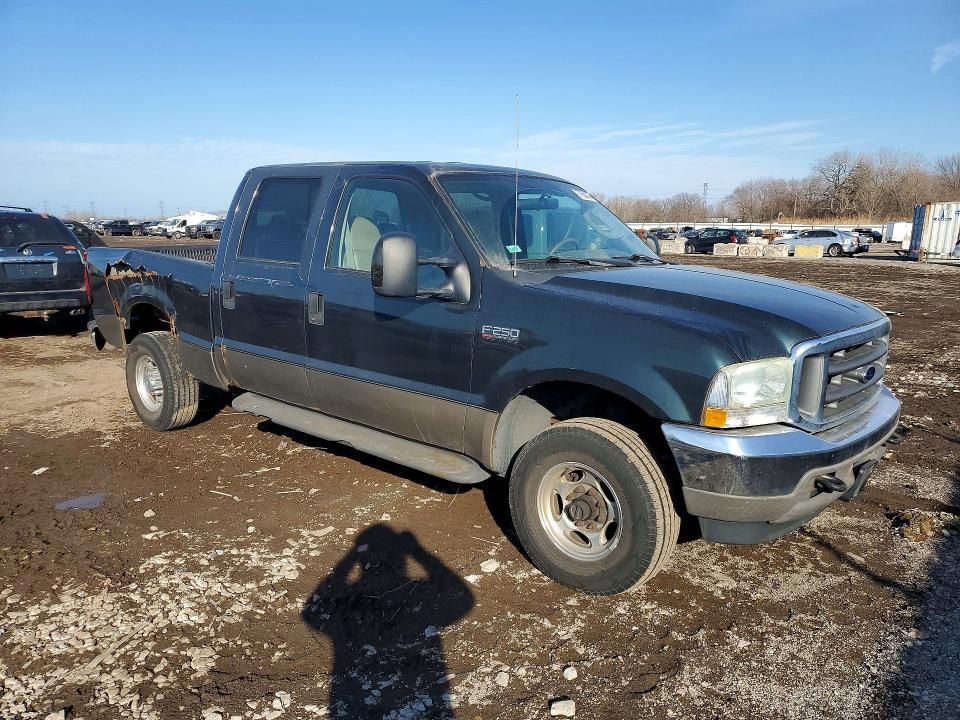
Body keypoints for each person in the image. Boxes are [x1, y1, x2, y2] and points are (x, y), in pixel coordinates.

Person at [301, 524, 474, 719]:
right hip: (418, 689)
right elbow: (464, 599)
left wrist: (350, 558)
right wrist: (418, 552)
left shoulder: (356, 598)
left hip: (355, 697)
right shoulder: (418, 592)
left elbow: (311, 613)